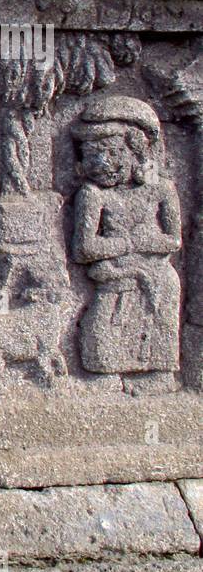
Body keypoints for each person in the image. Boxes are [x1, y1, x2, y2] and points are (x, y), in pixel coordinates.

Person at [70, 96, 181, 392]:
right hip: (113, 276)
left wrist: (145, 246)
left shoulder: (161, 189)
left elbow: (174, 240)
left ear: (136, 150)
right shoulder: (92, 194)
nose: (99, 164)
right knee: (102, 338)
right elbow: (83, 249)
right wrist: (131, 243)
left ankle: (159, 375)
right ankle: (105, 377)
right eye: (89, 155)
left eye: (108, 152)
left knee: (159, 315)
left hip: (156, 277)